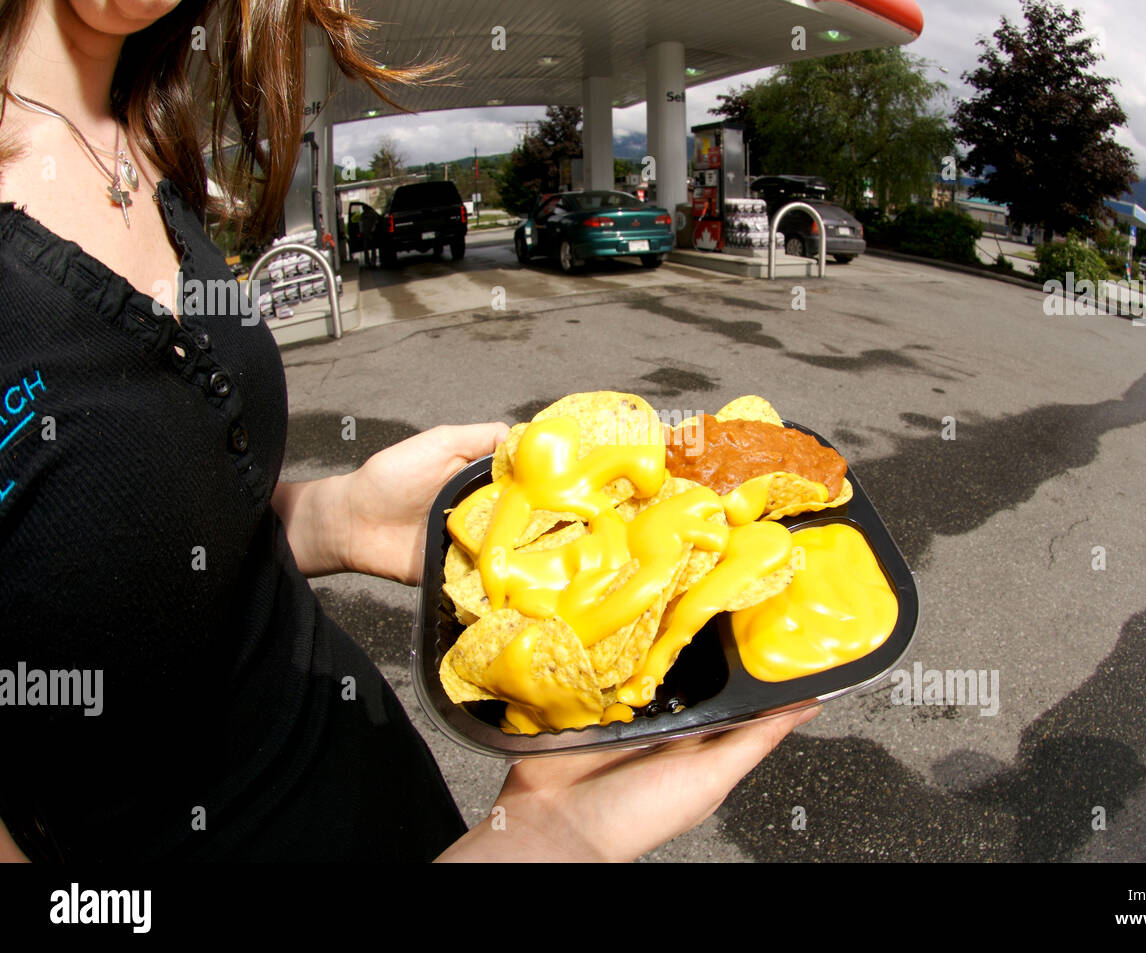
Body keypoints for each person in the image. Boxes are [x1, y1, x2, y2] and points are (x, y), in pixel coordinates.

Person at [0, 0, 813, 863]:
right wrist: (544, 845)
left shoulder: (142, 133)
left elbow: (127, 536)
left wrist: (335, 516)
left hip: (382, 783)